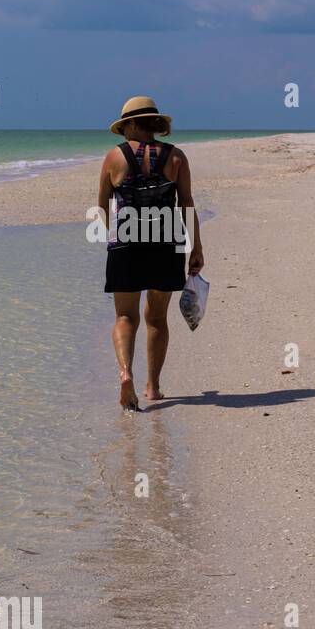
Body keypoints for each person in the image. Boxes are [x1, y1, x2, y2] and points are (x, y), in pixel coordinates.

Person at [97, 96, 205, 410]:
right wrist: (196, 246)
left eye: (124, 127)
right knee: (156, 317)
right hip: (166, 242)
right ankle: (154, 388)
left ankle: (125, 373)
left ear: (132, 123)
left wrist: (114, 233)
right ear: (153, 123)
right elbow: (186, 204)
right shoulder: (176, 157)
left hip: (126, 240)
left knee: (125, 316)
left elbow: (102, 204)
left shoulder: (114, 158)